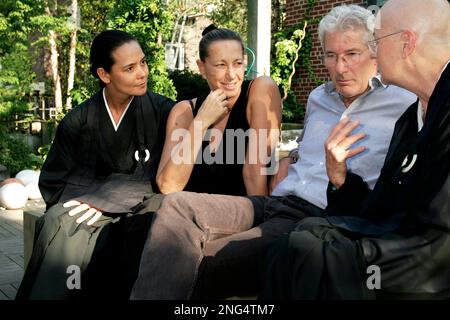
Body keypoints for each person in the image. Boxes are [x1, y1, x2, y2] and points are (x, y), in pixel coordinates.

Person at [130, 5, 416, 300]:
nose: (340, 67)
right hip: (275, 202)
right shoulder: (319, 97)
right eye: (331, 56)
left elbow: (404, 186)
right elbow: (304, 150)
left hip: (318, 218)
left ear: (374, 52)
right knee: (175, 206)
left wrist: (340, 176)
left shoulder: (404, 103)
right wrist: (289, 159)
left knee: (197, 259)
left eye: (351, 55)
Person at [260, 0, 450, 299]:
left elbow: (438, 248)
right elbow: (381, 210)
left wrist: (348, 257)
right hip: (397, 245)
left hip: (426, 267)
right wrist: (341, 179)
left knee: (303, 251)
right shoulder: (410, 119)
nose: (372, 51)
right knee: (306, 236)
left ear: (407, 43)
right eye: (331, 55)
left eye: (376, 40)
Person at [16, 30, 175, 299]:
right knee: (58, 222)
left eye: (143, 62)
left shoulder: (164, 111)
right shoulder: (77, 121)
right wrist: (97, 198)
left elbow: (169, 175)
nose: (143, 73)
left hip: (143, 202)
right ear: (105, 75)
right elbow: (53, 184)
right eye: (130, 68)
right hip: (89, 204)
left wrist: (113, 195)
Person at [156, 26, 281, 196]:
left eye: (237, 64)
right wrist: (201, 122)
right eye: (220, 65)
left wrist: (262, 221)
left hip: (244, 214)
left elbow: (254, 175)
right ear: (202, 67)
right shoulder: (184, 111)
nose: (231, 75)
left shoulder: (260, 90)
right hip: (191, 213)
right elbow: (167, 186)